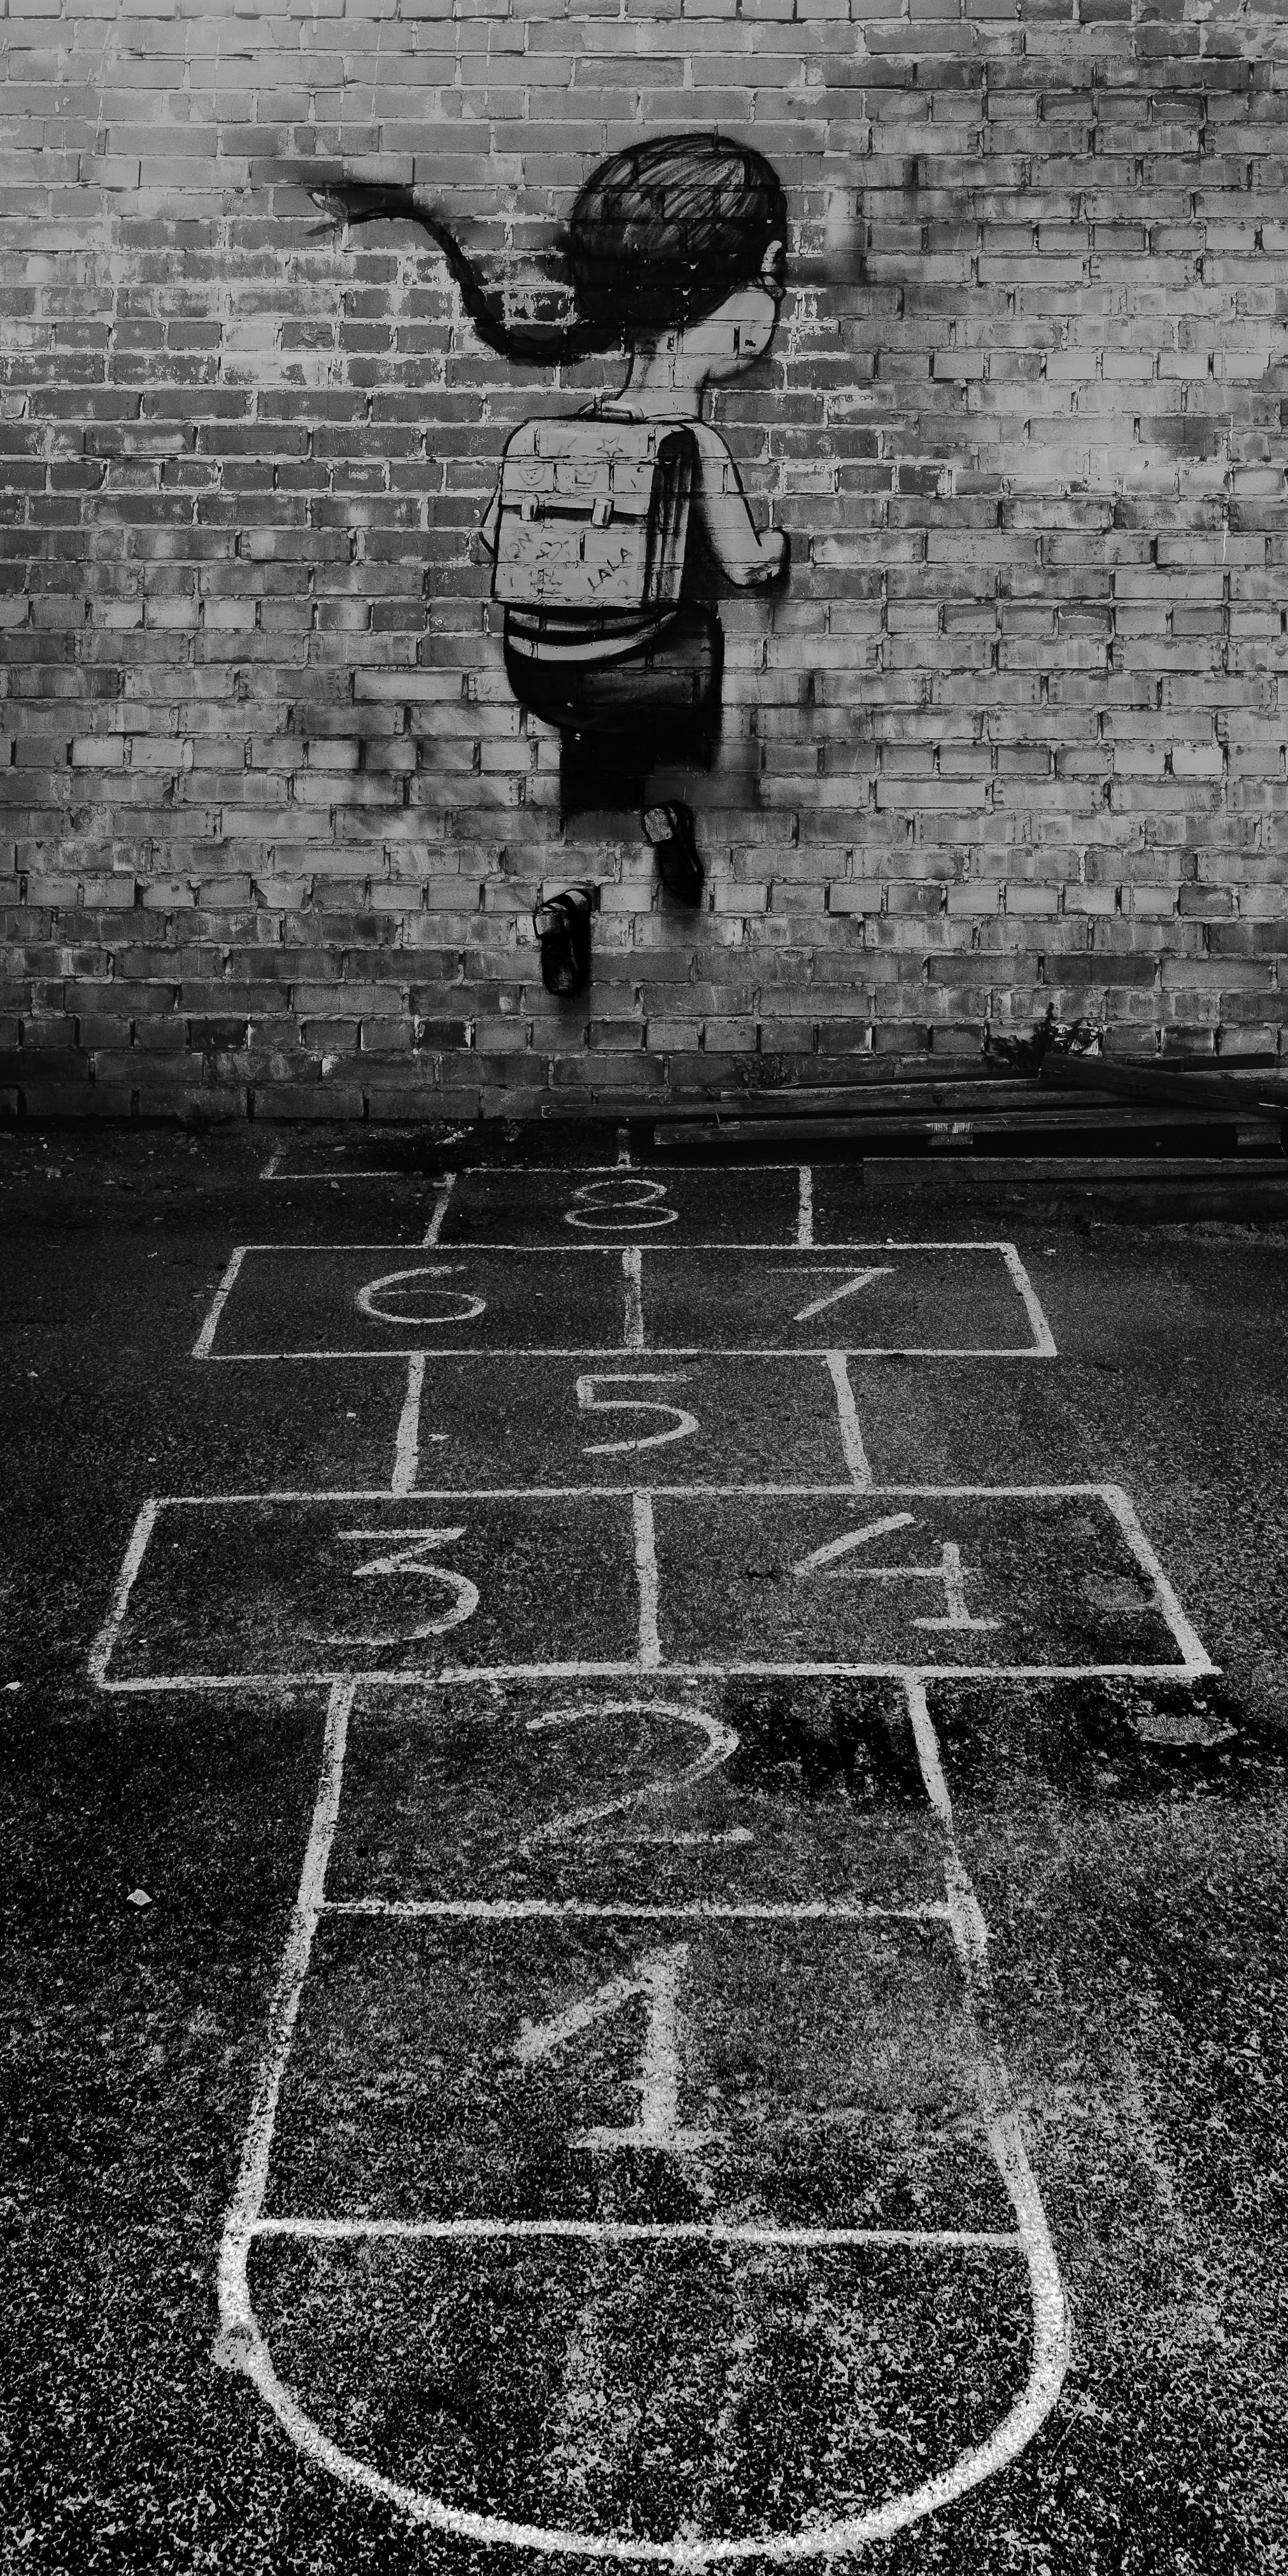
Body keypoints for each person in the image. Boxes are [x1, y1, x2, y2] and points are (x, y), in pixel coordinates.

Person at [315, 132, 789, 974]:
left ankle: (572, 887)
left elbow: (495, 540)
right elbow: (749, 565)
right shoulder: (691, 441)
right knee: (684, 649)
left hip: (540, 669)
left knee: (592, 739)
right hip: (647, 675)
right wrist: (775, 550)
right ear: (754, 281)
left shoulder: (554, 437)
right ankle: (666, 815)